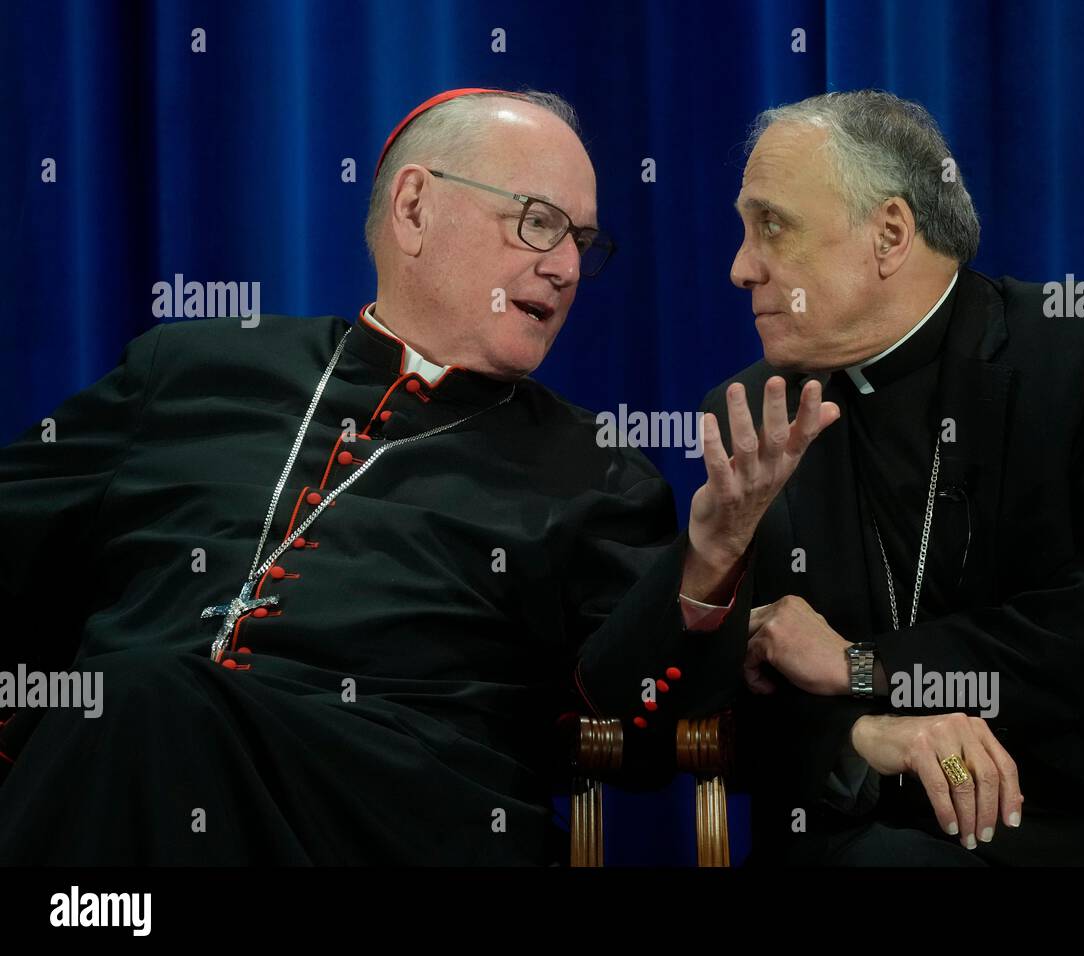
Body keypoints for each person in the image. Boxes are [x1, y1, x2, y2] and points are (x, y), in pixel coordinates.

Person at [0, 88, 838, 864]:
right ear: (413, 208)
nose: (567, 268)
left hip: (403, 821)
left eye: (582, 243)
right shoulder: (190, 368)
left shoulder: (595, 471)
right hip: (143, 781)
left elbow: (635, 732)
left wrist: (709, 559)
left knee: (136, 704)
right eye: (540, 223)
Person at [706, 89, 1084, 865]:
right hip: (897, 827)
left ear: (889, 234)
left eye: (771, 226)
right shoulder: (754, 412)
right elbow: (734, 687)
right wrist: (868, 730)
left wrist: (865, 665)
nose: (740, 267)